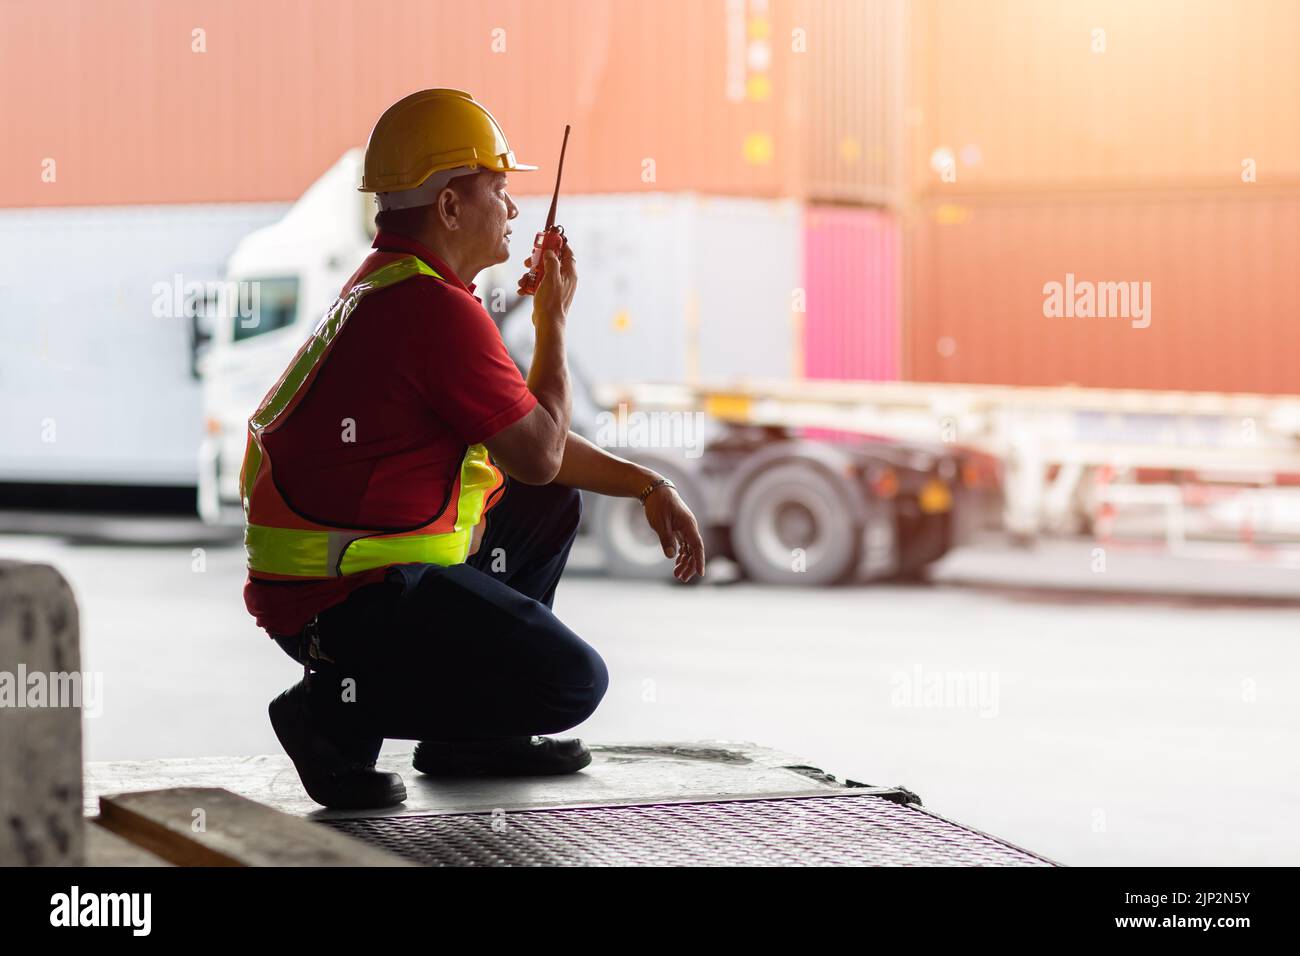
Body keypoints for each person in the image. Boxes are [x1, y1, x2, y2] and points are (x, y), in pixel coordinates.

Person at [240, 89, 706, 809]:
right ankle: (330, 713)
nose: (514, 210)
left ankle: (473, 738)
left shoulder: (391, 287)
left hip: (333, 589)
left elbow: (530, 447)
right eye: (497, 189)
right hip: (344, 602)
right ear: (450, 208)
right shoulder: (432, 310)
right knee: (572, 683)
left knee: (548, 504)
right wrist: (552, 323)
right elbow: (541, 453)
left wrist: (647, 485)